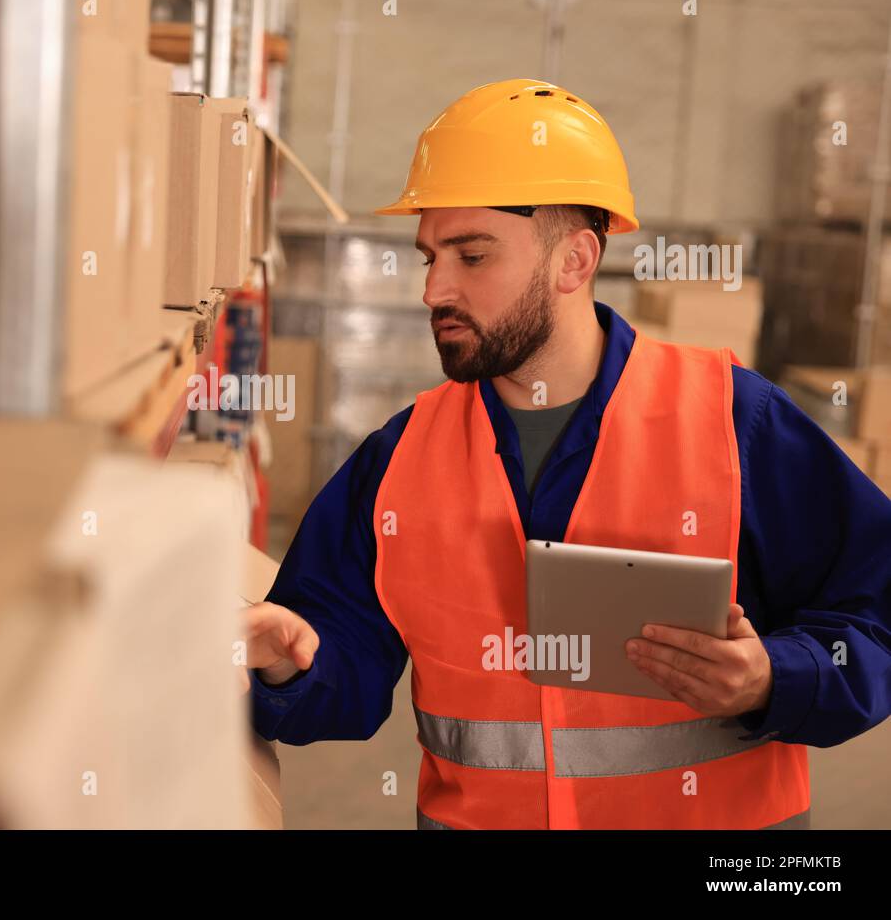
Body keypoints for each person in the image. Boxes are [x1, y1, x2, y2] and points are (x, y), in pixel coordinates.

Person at [242, 78, 891, 829]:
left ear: (575, 261)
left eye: (472, 255)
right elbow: (342, 662)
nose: (434, 290)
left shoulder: (734, 422)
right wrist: (294, 661)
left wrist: (775, 676)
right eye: (429, 258)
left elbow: (874, 608)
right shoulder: (398, 460)